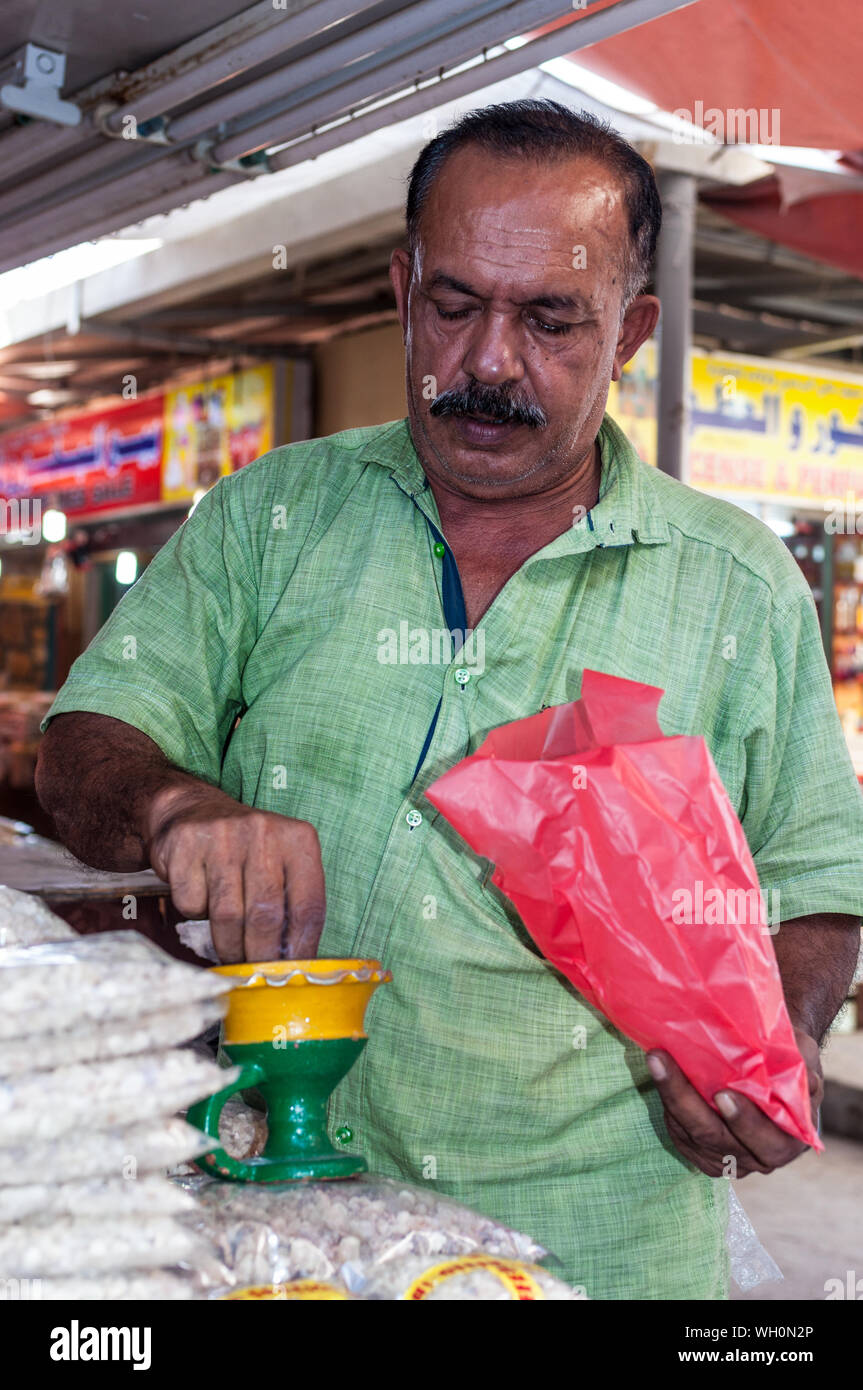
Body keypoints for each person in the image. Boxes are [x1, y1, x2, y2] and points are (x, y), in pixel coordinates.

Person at [36, 100, 863, 1299]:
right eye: (455, 305)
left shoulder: (740, 589)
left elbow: (818, 879)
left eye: (548, 322)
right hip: (279, 1239)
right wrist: (172, 803)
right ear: (400, 286)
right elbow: (85, 740)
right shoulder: (270, 519)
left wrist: (775, 1044)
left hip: (600, 1256)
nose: (486, 364)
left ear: (630, 330)